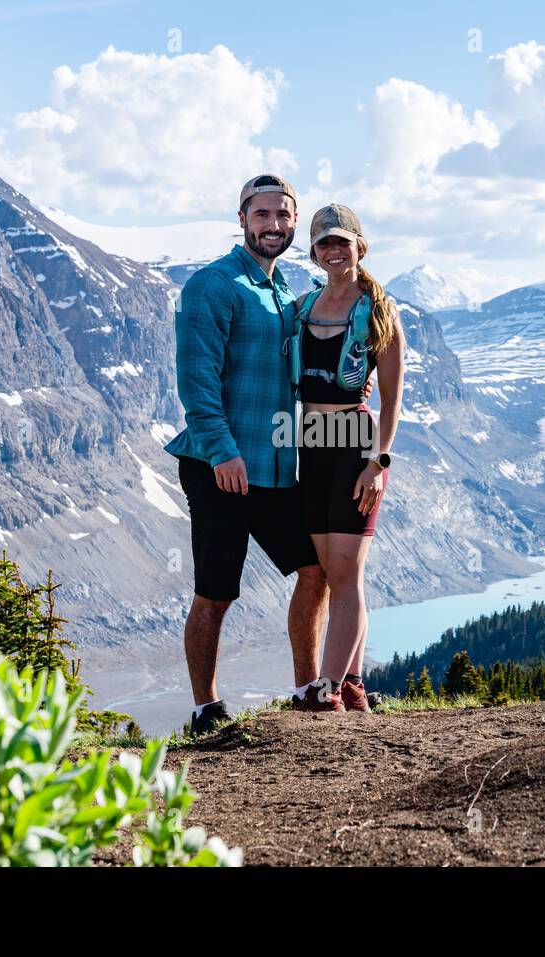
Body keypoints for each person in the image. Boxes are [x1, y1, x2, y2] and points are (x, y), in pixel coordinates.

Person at [164, 174, 329, 735]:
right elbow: (197, 381)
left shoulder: (287, 290)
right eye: (262, 215)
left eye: (284, 216)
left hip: (278, 464)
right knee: (216, 590)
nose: (274, 226)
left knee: (316, 568)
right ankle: (205, 708)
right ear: (242, 219)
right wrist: (222, 452)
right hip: (221, 465)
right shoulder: (211, 286)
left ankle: (308, 690)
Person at [289, 204, 404, 712]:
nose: (334, 250)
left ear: (360, 247)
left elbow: (393, 398)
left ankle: (327, 689)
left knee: (347, 573)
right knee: (329, 573)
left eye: (343, 242)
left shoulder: (378, 312)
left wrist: (378, 463)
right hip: (311, 443)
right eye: (323, 243)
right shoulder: (301, 308)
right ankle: (353, 683)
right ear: (313, 252)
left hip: (355, 446)